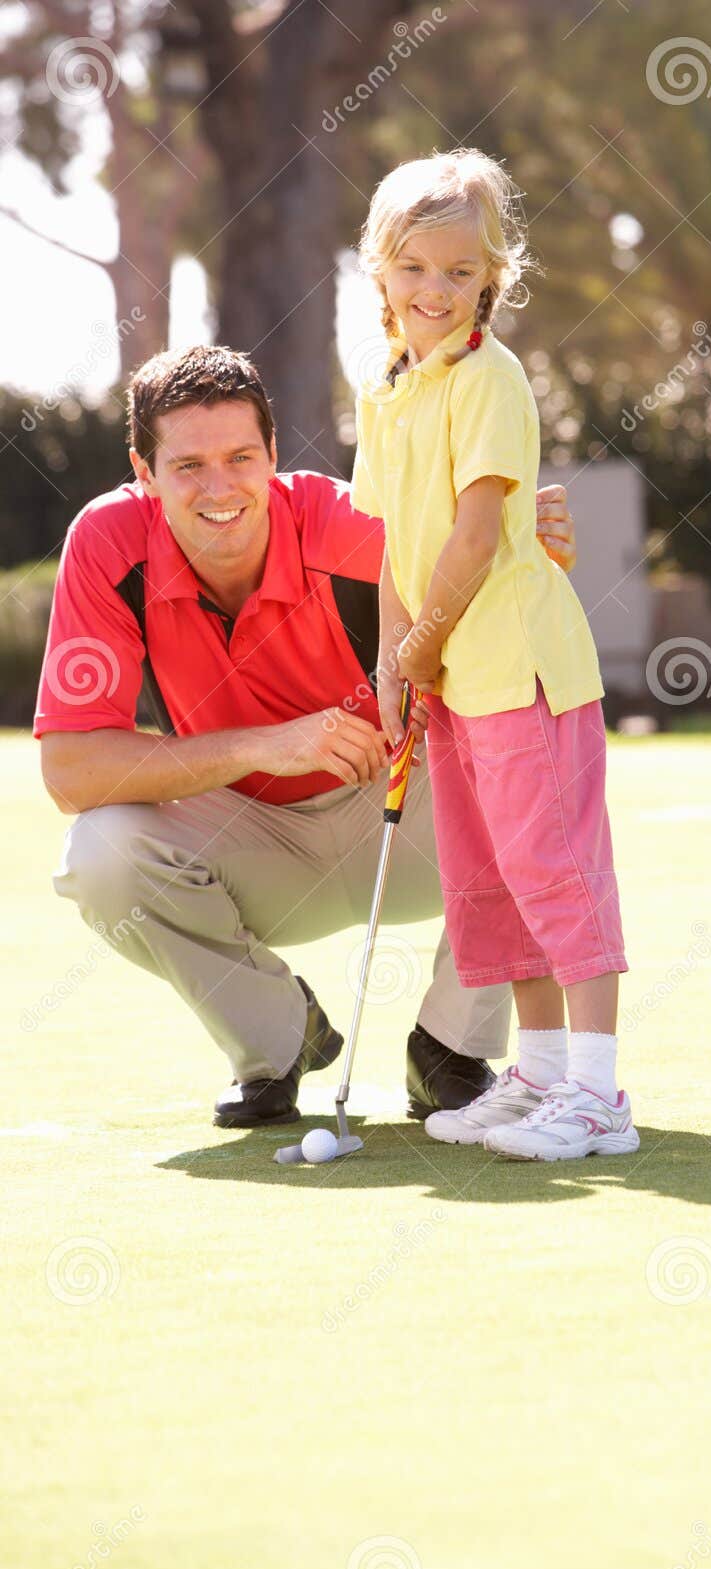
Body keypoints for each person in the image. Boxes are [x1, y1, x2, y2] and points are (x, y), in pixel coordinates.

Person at [34, 344, 577, 1130]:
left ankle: (451, 1051)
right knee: (99, 856)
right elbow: (69, 771)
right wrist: (264, 745)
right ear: (142, 472)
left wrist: (534, 555)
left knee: (544, 776)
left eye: (240, 457)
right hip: (250, 843)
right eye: (187, 465)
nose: (219, 488)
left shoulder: (350, 524)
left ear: (274, 456)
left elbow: (494, 600)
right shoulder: (109, 543)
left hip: (409, 822)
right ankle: (277, 1041)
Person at [353, 148, 636, 1162]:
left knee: (554, 872)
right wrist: (395, 668)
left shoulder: (489, 378)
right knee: (496, 883)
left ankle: (598, 1096)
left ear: (490, 280)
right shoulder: (387, 390)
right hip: (455, 683)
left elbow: (475, 537)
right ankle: (541, 1077)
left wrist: (421, 649)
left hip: (519, 663)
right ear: (378, 271)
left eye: (459, 272)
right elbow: (390, 548)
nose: (435, 290)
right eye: (415, 268)